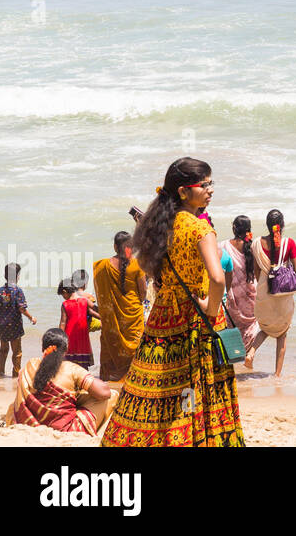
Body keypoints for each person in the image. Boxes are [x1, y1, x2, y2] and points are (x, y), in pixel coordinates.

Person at [102, 157, 244, 446]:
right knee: (198, 390)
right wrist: (212, 309)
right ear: (183, 191)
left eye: (210, 183)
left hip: (162, 320)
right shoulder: (200, 229)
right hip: (196, 321)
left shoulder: (159, 226)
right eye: (204, 185)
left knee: (157, 391)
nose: (210, 190)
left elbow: (149, 269)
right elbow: (217, 279)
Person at [6, 329, 112, 435]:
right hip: (66, 429)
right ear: (66, 349)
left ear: (43, 348)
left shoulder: (30, 365)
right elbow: (104, 393)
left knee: (13, 406)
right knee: (110, 398)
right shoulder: (71, 369)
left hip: (30, 423)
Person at [251, 208, 296, 377]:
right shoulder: (289, 243)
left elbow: (255, 271)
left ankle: (251, 352)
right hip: (283, 293)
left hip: (263, 290)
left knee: (265, 327)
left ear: (267, 225)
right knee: (282, 333)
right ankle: (277, 374)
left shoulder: (256, 243)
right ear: (282, 225)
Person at [91, 231, 147, 381]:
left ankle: (110, 379)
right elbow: (143, 293)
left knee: (111, 345)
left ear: (115, 247)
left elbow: (101, 293)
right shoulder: (137, 265)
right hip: (133, 316)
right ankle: (134, 380)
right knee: (135, 347)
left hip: (112, 319)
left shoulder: (101, 266)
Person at [222, 216, 262, 365]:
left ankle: (233, 358)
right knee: (252, 327)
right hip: (251, 295)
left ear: (234, 228)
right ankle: (249, 355)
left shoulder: (224, 245)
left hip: (233, 296)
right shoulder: (253, 247)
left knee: (233, 327)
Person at [0, 263, 37, 378]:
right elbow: (22, 308)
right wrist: (31, 317)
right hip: (14, 326)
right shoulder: (18, 291)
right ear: (18, 276)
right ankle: (16, 374)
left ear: (5, 275)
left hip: (1, 326)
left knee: (3, 349)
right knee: (17, 352)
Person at [57, 273, 96, 369]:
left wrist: (60, 337)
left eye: (63, 295)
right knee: (83, 363)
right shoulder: (85, 300)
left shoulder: (65, 304)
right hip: (82, 335)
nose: (63, 297)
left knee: (70, 363)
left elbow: (63, 322)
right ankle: (84, 381)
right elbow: (95, 310)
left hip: (70, 335)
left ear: (65, 291)